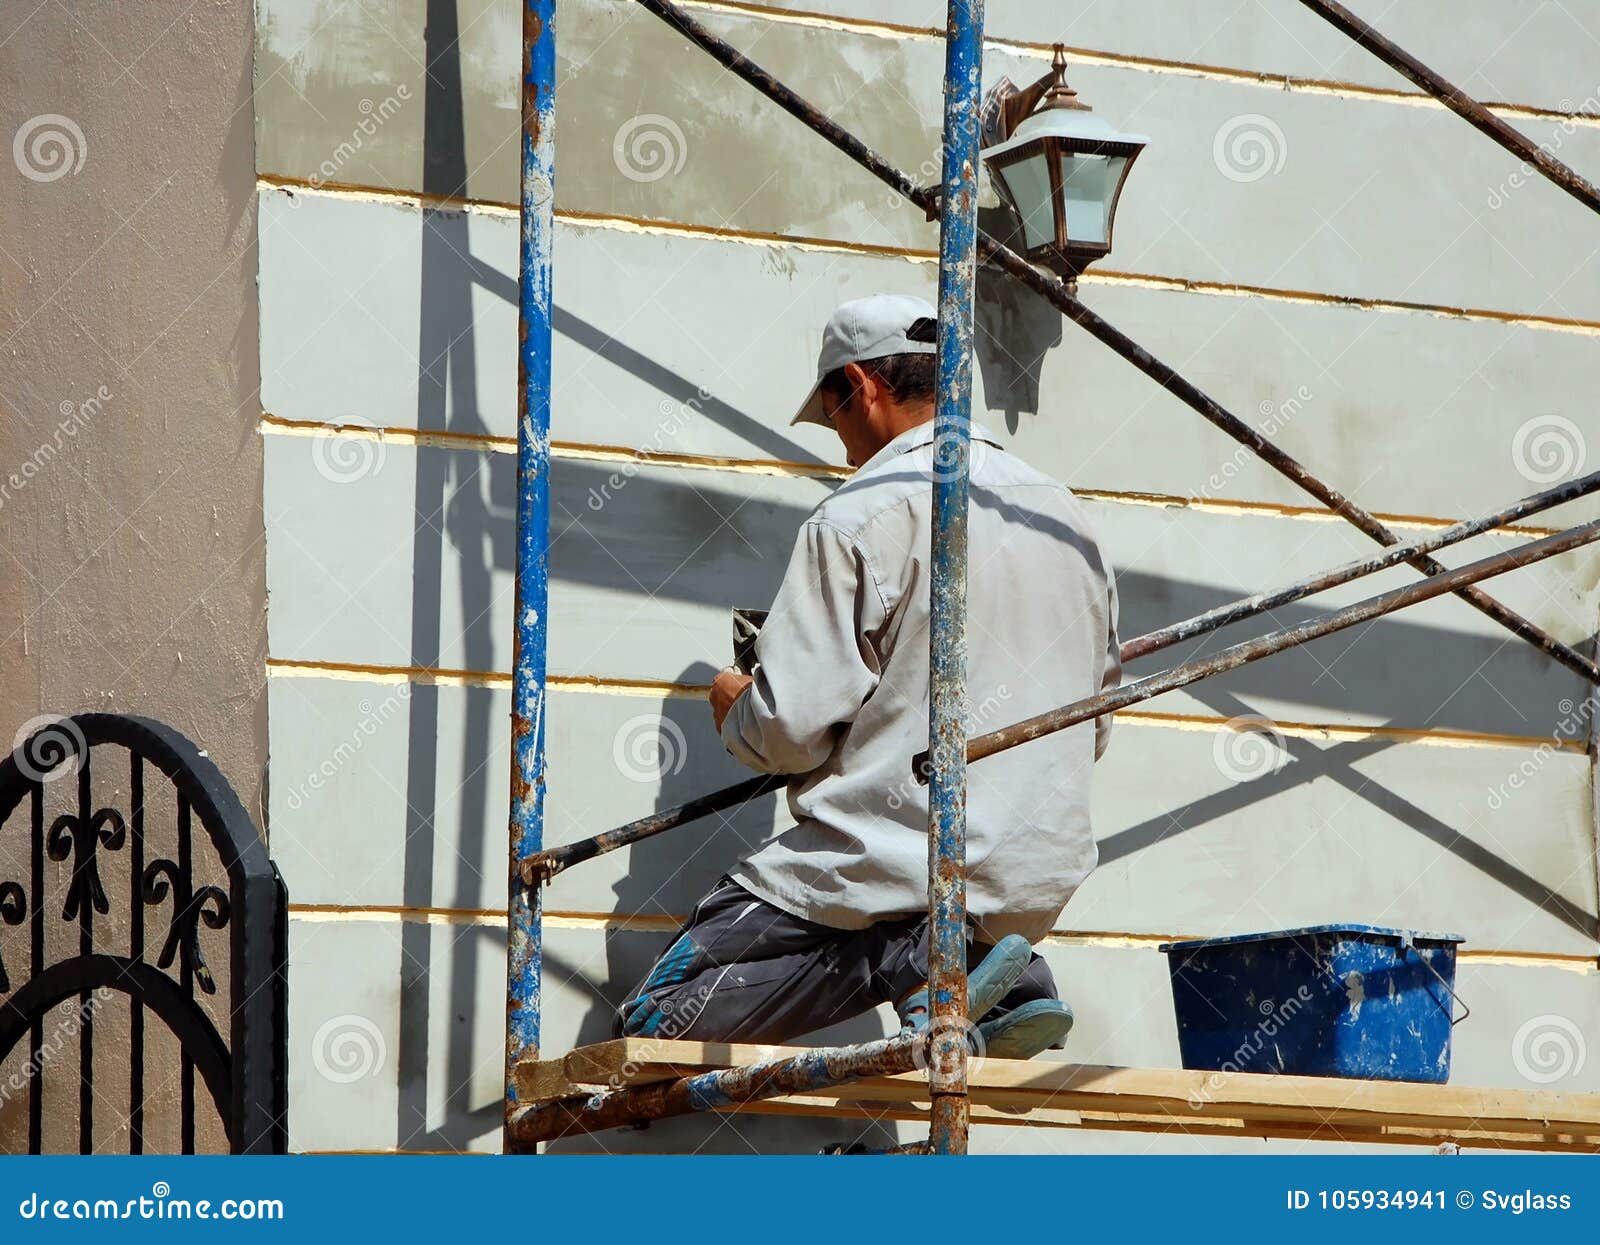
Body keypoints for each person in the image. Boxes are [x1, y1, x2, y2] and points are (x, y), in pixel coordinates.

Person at [619, 293, 1120, 1059]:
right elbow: (1096, 720)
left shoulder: (858, 514)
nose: (845, 448)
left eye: (833, 413)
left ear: (859, 384)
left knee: (660, 1019)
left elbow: (788, 730)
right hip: (1031, 870)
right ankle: (1002, 977)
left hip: (898, 865)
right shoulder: (1066, 515)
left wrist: (735, 709)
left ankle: (923, 961)